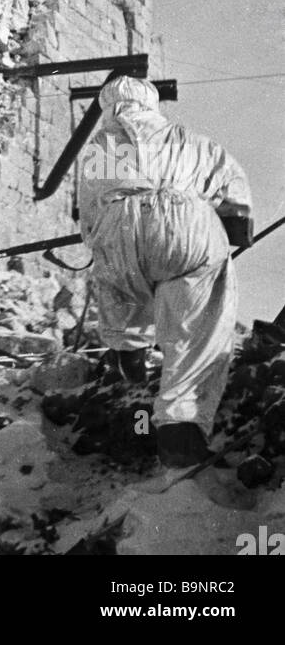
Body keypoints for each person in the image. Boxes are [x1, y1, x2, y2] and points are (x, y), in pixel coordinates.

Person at [79, 76, 253, 468]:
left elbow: (88, 217)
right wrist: (235, 229)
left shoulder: (97, 149)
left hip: (118, 223)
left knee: (119, 283)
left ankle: (129, 350)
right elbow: (234, 189)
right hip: (186, 220)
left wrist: (108, 243)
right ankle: (181, 429)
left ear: (108, 108)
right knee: (199, 322)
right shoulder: (188, 140)